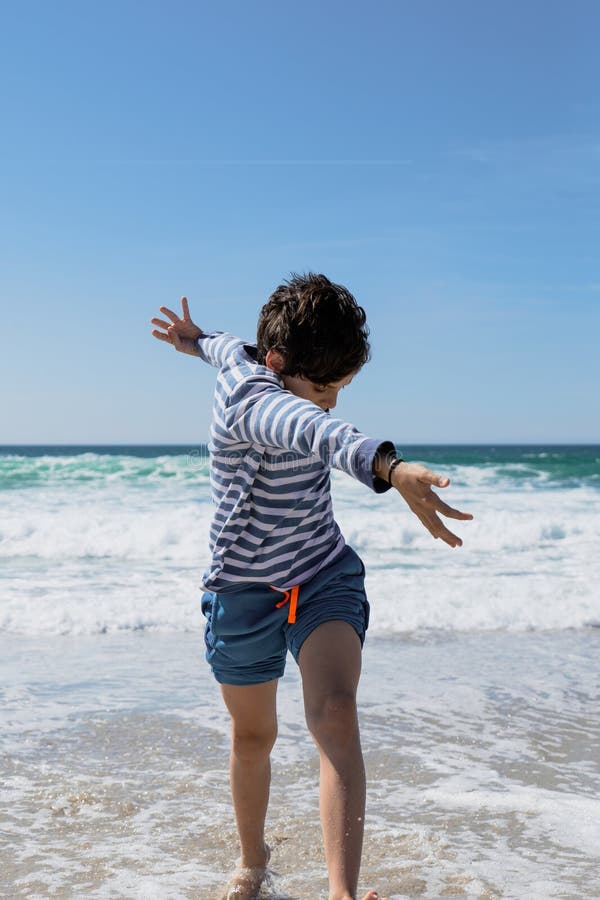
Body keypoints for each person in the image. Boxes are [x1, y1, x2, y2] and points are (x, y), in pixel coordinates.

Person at [150, 273, 472, 900]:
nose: (329, 403)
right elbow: (321, 434)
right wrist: (391, 467)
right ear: (276, 366)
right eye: (323, 388)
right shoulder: (260, 404)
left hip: (321, 571)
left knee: (336, 710)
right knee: (254, 738)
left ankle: (341, 893)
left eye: (340, 390)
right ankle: (252, 860)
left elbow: (225, 345)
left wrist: (194, 340)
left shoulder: (251, 354)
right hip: (242, 591)